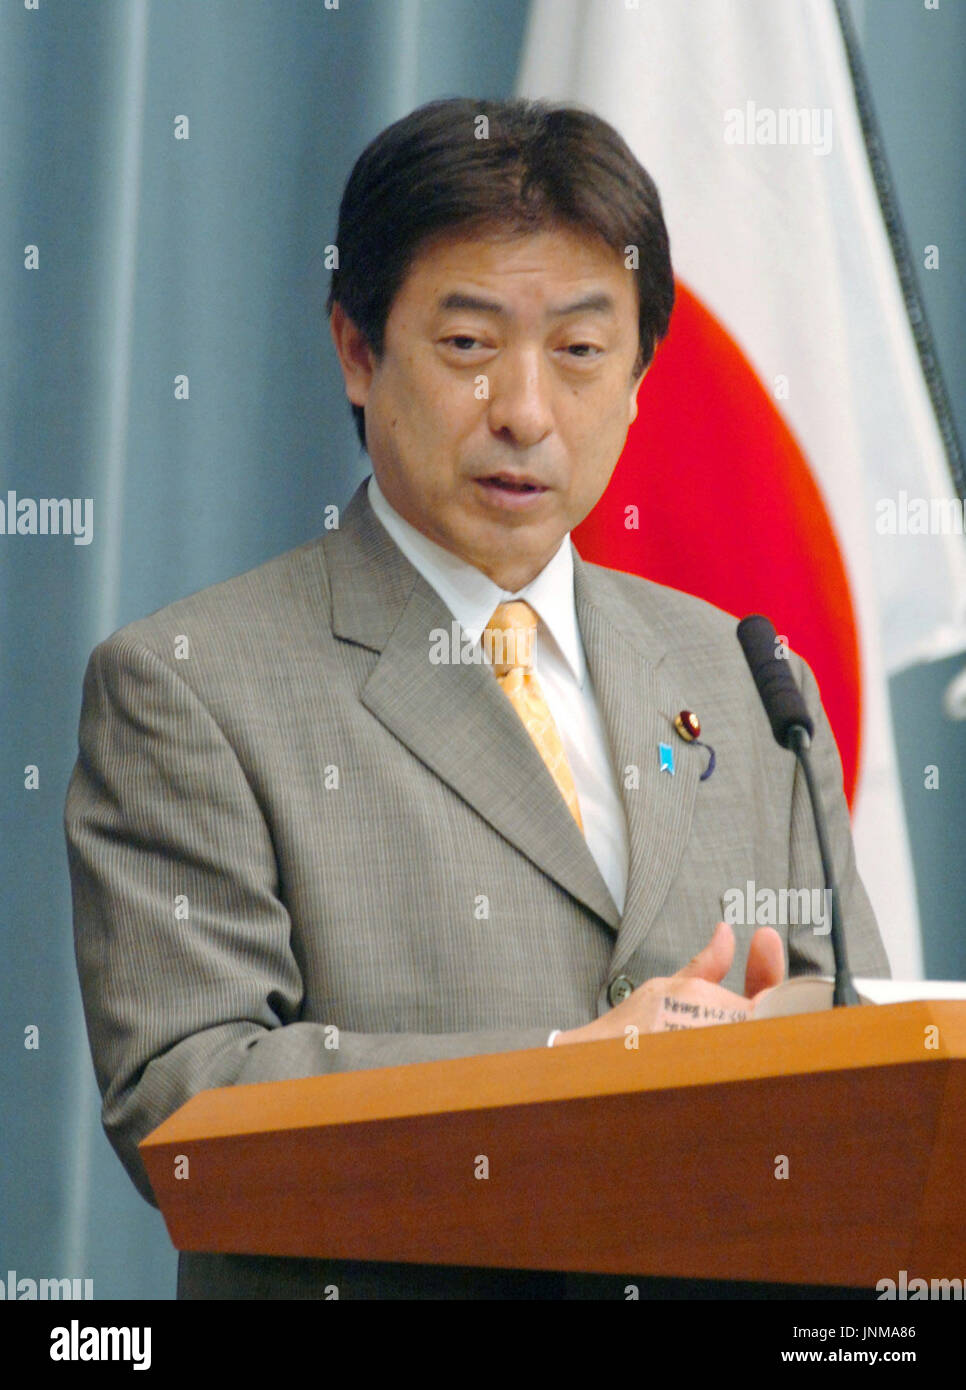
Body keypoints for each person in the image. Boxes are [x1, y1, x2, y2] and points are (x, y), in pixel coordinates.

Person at [64, 97, 890, 1300]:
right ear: (357, 347)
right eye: (468, 345)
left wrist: (809, 1040)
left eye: (580, 350)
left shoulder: (743, 674)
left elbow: (865, 1032)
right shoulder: (189, 686)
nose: (525, 410)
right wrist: (571, 1069)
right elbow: (186, 1118)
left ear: (641, 376)